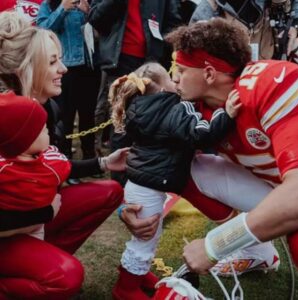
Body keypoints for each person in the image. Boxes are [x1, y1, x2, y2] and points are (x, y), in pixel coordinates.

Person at [0, 11, 127, 299]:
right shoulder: (6, 118)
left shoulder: (46, 108)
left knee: (109, 190)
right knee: (68, 278)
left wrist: (105, 162)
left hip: (29, 218)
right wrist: (43, 213)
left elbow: (50, 167)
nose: (65, 69)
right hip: (10, 228)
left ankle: (41, 257)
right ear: (28, 68)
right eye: (54, 61)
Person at [162, 18, 298, 274]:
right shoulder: (194, 108)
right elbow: (158, 162)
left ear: (209, 74)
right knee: (182, 168)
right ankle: (258, 253)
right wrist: (144, 206)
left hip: (293, 187)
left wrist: (217, 244)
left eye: (181, 70)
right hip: (276, 184)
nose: (174, 78)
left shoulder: (270, 84)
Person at [109, 61, 240, 299]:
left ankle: (137, 274)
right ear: (162, 89)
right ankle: (125, 288)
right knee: (145, 239)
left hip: (139, 184)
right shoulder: (174, 108)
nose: (177, 81)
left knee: (146, 236)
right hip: (150, 186)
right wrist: (226, 113)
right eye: (172, 77)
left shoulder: (138, 107)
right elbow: (202, 133)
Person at [88, 0, 182, 186]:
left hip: (152, 66)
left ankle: (147, 182)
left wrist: (162, 48)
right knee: (120, 127)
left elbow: (174, 22)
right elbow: (96, 19)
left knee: (152, 124)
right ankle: (121, 188)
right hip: (118, 63)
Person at [37, 0, 101, 169]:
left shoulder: (87, 2)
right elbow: (43, 32)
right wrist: (62, 9)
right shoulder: (49, 5)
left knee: (88, 113)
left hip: (89, 67)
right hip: (64, 68)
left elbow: (102, 28)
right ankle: (64, 158)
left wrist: (89, 13)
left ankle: (89, 156)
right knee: (65, 115)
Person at [0, 92, 70, 240]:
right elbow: (65, 166)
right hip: (36, 226)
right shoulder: (51, 164)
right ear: (27, 140)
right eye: (44, 130)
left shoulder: (3, 167)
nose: (48, 133)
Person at [190, 0, 298, 63]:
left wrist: (295, 25)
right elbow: (192, 53)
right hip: (230, 81)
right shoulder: (210, 7)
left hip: (271, 68)